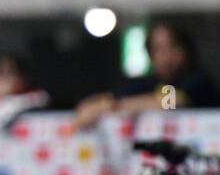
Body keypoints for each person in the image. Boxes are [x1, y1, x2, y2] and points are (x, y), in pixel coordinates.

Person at [74, 19, 220, 129]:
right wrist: (95, 106)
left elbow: (171, 101)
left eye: (173, 46)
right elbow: (107, 98)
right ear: (150, 54)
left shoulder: (199, 80)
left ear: (185, 50)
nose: (166, 55)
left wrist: (113, 107)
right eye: (158, 48)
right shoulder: (147, 83)